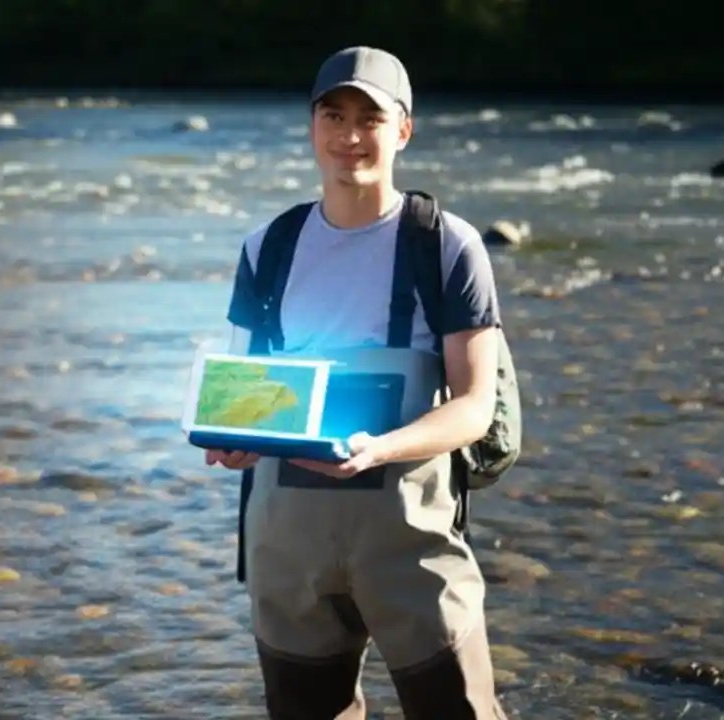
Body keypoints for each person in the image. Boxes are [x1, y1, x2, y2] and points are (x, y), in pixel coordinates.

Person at [205, 46, 509, 719]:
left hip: (410, 541)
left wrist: (377, 448)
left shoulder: (447, 245)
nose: (348, 136)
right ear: (311, 126)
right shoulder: (267, 246)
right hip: (287, 548)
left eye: (369, 118)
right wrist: (233, 439)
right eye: (332, 115)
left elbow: (474, 407)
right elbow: (245, 385)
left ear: (403, 129)